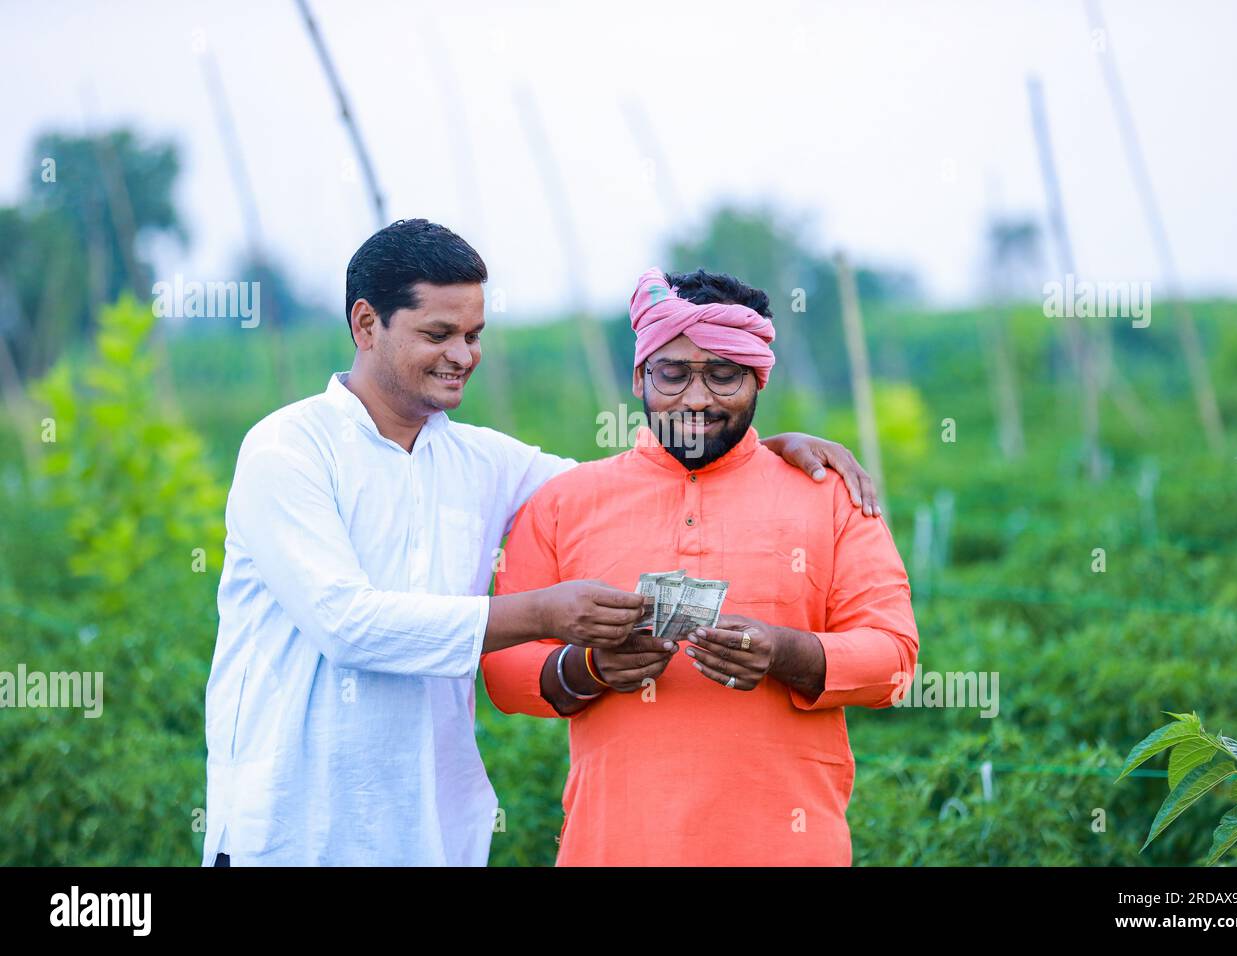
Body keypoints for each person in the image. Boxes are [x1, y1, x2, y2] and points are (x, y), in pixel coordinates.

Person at [203, 220, 880, 866]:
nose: (463, 356)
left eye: (474, 334)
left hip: (428, 831)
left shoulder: (486, 462)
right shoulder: (289, 449)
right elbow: (346, 624)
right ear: (365, 323)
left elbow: (640, 486)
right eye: (439, 333)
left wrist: (769, 453)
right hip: (293, 827)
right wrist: (546, 615)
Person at [481, 266, 919, 866]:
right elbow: (502, 671)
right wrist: (591, 667)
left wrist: (784, 652)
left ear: (758, 377)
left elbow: (895, 660)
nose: (696, 398)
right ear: (639, 374)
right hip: (615, 847)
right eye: (672, 373)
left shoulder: (830, 494)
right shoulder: (565, 501)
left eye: (723, 375)